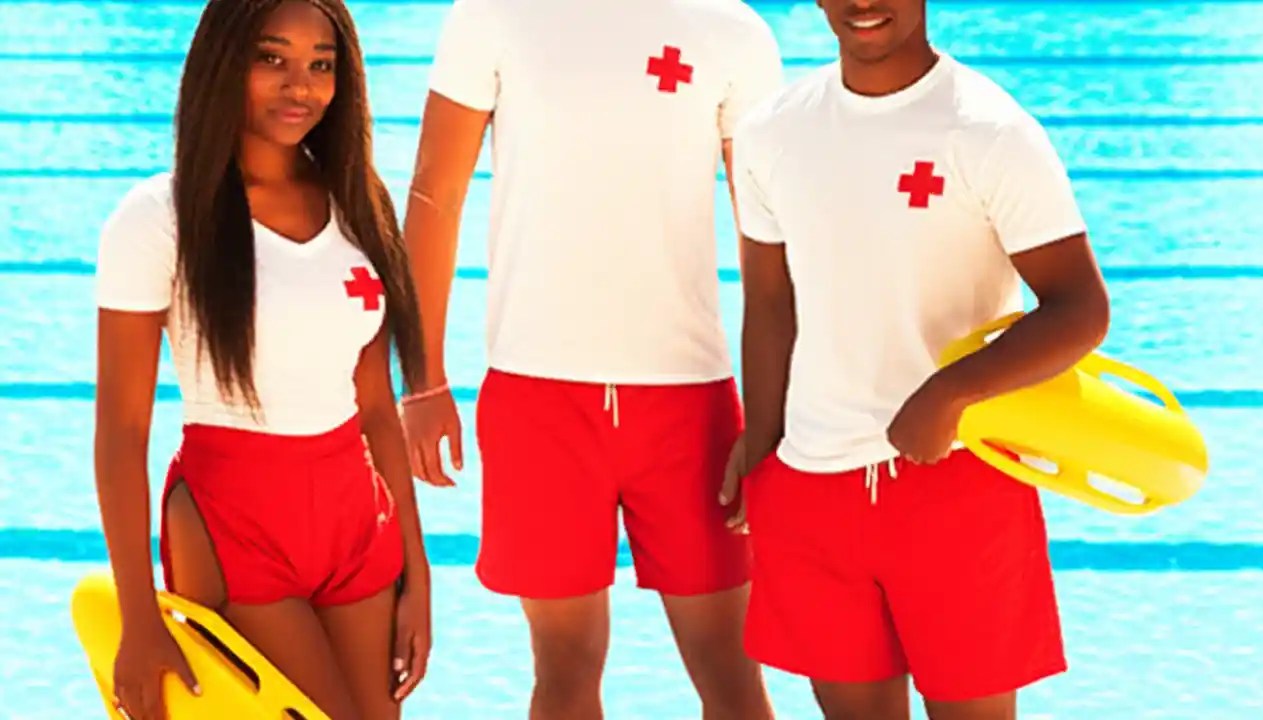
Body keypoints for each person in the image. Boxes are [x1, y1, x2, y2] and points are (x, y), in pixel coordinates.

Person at [725, 0, 1112, 717]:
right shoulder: (769, 133)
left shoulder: (991, 133)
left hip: (958, 483)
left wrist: (949, 394)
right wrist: (762, 448)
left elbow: (1081, 308)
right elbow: (771, 306)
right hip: (812, 487)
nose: (862, 4)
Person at [397, 0, 783, 716]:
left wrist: (776, 414)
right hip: (538, 399)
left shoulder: (732, 31)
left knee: (729, 668)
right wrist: (421, 382)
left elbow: (769, 233)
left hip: (690, 404)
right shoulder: (493, 14)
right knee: (565, 667)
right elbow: (434, 193)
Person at [93, 2, 432, 719]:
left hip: (355, 522)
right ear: (224, 62)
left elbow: (375, 406)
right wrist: (137, 616)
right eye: (271, 59)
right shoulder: (158, 219)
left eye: (321, 65)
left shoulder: (360, 206)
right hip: (233, 522)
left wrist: (418, 576)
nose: (299, 87)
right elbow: (122, 433)